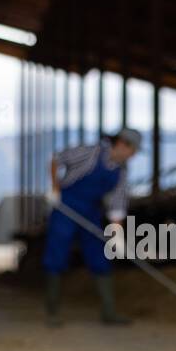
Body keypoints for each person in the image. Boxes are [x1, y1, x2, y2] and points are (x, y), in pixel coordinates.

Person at [42, 128, 141, 326]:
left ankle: (109, 312)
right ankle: (52, 313)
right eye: (134, 151)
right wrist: (54, 189)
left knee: (99, 255)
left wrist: (117, 235)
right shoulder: (89, 152)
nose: (134, 155)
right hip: (66, 207)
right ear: (122, 144)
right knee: (56, 255)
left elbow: (117, 205)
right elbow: (55, 159)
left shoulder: (120, 172)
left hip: (91, 212)